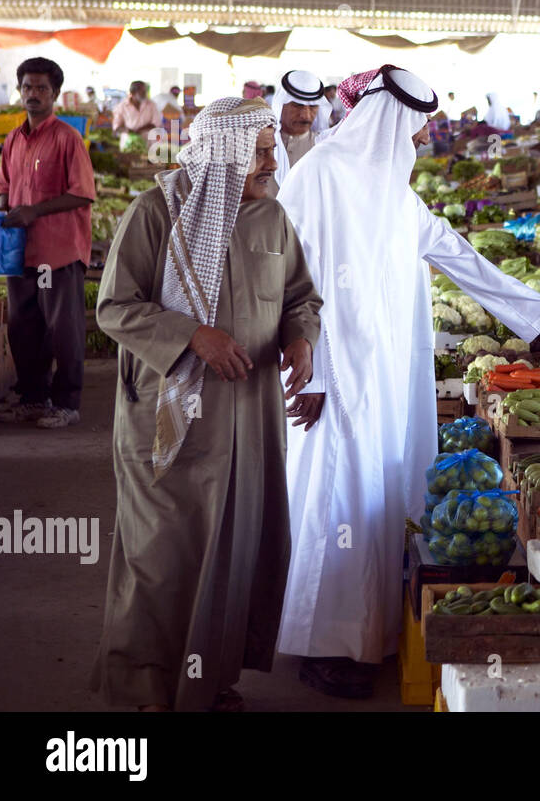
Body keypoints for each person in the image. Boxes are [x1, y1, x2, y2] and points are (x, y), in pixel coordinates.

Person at [274, 65, 540, 698]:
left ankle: (368, 633)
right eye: (413, 129)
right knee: (335, 498)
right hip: (329, 373)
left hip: (383, 372)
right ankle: (322, 644)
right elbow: (287, 275)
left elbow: (458, 255)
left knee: (376, 495)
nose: (416, 142)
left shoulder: (393, 193)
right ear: (389, 120)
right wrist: (309, 371)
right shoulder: (320, 176)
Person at [89, 97, 322, 712]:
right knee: (163, 557)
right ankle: (142, 694)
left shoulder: (271, 217)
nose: (274, 162)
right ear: (224, 151)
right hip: (173, 423)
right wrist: (194, 336)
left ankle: (209, 682)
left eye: (272, 149)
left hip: (250, 419)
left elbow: (302, 294)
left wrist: (301, 338)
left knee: (235, 550)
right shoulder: (157, 211)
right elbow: (114, 308)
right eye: (262, 151)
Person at [0, 57, 95, 428]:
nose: (32, 95)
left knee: (61, 328)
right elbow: (4, 186)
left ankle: (67, 403)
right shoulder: (13, 140)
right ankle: (33, 398)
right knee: (24, 327)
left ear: (54, 94)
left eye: (41, 88)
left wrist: (33, 211)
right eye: (27, 87)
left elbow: (83, 194)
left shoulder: (67, 139)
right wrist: (4, 211)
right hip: (21, 252)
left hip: (57, 254)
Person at [270, 69, 331, 183]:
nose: (306, 115)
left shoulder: (324, 146)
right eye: (297, 105)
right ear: (281, 105)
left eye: (313, 107)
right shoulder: (260, 144)